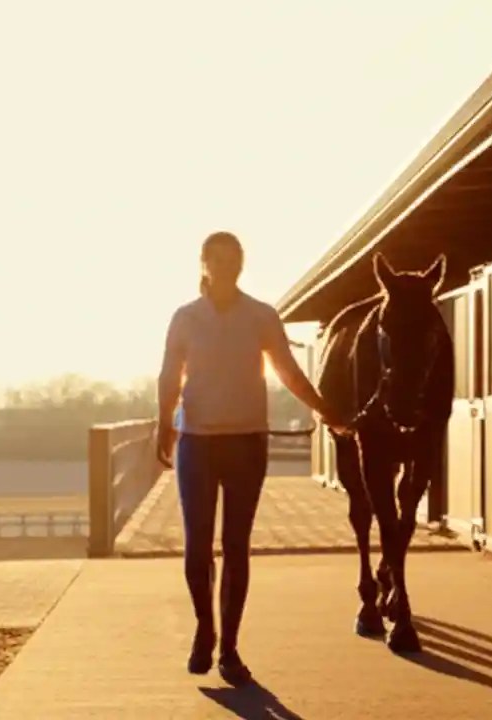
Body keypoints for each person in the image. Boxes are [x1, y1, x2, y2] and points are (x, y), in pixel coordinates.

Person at [156, 230, 344, 686]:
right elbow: (169, 375)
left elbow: (287, 370)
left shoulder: (261, 316)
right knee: (198, 545)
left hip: (246, 443)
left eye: (233, 260)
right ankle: (205, 628)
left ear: (242, 265)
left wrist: (324, 409)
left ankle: (230, 649)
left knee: (236, 545)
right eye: (217, 260)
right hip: (197, 442)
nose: (225, 268)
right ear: (204, 264)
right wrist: (164, 423)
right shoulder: (185, 317)